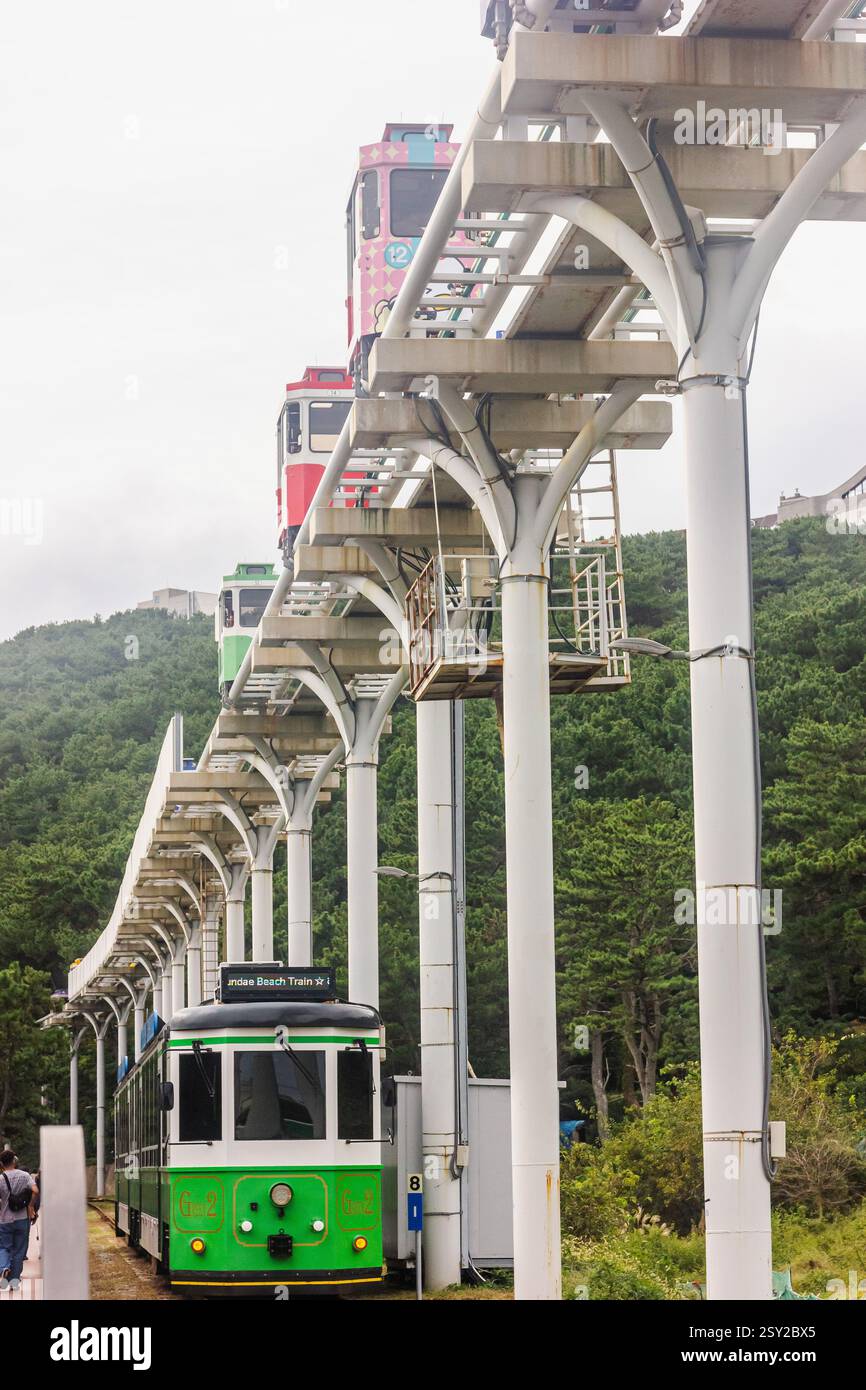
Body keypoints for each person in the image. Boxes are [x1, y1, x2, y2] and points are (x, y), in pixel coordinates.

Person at [0, 1150, 38, 1293]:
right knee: (19, 1251)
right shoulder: (25, 1175)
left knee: (4, 1247)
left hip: (4, 1220)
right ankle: (14, 1281)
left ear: (1, 1164)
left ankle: (4, 1268)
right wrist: (30, 1206)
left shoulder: (1, 1179)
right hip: (22, 1219)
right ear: (15, 1161)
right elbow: (35, 1190)